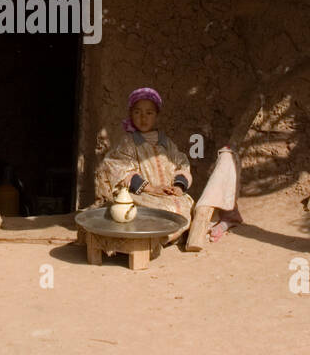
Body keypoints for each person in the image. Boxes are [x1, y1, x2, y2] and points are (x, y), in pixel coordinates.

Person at [94, 87, 243, 251]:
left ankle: (167, 237)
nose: (143, 118)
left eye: (149, 113)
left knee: (186, 205)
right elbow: (120, 168)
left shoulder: (166, 142)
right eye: (138, 112)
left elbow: (182, 164)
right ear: (131, 114)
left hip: (168, 194)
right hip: (142, 195)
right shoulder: (128, 143)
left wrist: (178, 187)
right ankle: (158, 239)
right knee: (155, 212)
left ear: (157, 116)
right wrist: (152, 188)